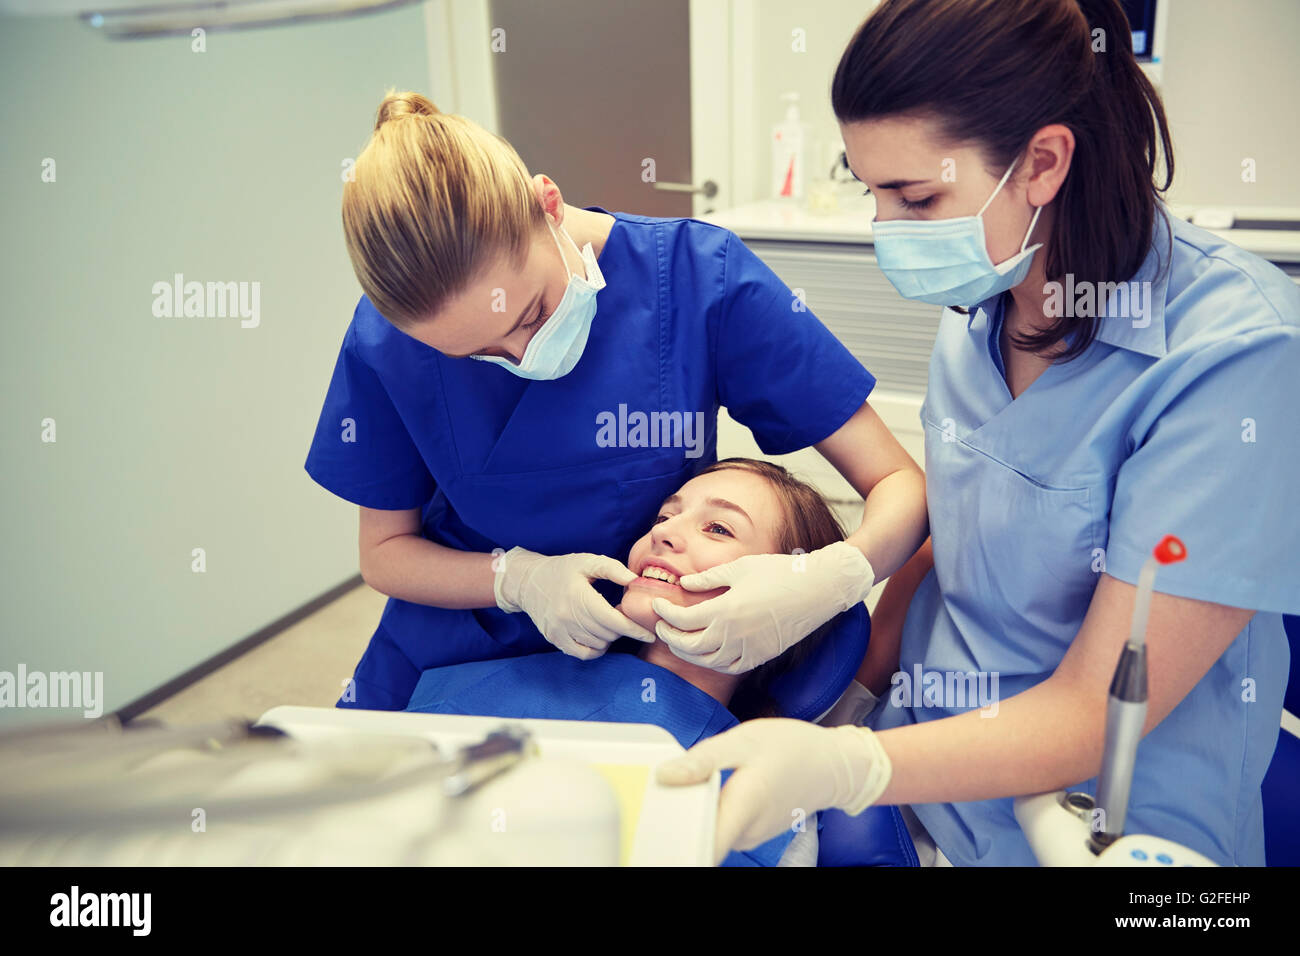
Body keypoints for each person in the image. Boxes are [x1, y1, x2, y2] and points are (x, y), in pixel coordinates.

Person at [654, 0, 1300, 867]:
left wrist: (852, 763)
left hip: (1103, 825)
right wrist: (856, 694)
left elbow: (1090, 716)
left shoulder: (1235, 359)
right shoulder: (982, 302)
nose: (885, 227)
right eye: (868, 186)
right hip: (922, 769)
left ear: (1042, 162)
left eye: (915, 197)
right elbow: (954, 539)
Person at [305, 90, 926, 713]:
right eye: (476, 354)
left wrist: (827, 579)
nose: (522, 358)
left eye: (530, 315)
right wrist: (517, 580)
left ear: (549, 205)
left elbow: (898, 480)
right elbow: (384, 554)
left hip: (643, 663)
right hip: (447, 655)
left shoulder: (698, 279)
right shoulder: (386, 341)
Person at [403, 458, 861, 866]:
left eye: (718, 528)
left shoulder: (771, 798)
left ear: (789, 600)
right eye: (665, 515)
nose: (662, 532)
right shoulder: (505, 679)